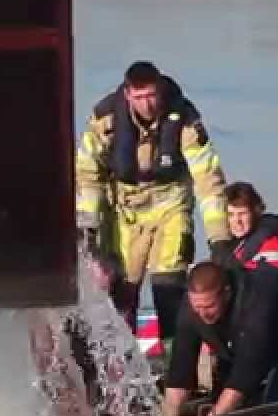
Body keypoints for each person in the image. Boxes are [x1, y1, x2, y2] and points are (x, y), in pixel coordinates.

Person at [75, 61, 229, 355]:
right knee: (121, 294)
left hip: (170, 201)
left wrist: (219, 237)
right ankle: (120, 373)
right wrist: (87, 227)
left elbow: (208, 176)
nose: (148, 104)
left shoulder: (184, 117)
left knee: (168, 286)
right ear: (128, 95)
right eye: (140, 97)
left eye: (152, 95)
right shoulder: (105, 119)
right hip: (124, 209)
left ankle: (179, 373)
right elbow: (87, 174)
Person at [162, 262, 278, 416]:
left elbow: (243, 377)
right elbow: (180, 372)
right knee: (225, 399)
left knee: (277, 402)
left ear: (226, 294)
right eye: (198, 307)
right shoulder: (191, 309)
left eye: (209, 306)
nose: (203, 313)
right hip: (240, 335)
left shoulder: (257, 305)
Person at [216, 181, 278, 283]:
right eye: (231, 214)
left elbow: (272, 290)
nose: (237, 221)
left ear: (256, 212)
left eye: (242, 214)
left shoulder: (269, 246)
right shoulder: (241, 243)